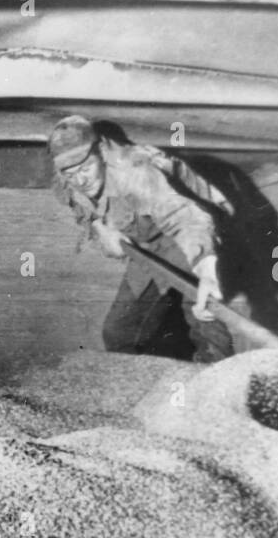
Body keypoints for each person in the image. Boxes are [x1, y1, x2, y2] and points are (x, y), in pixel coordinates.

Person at [49, 115, 240, 362]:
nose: (80, 179)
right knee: (118, 332)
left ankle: (216, 384)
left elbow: (181, 215)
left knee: (205, 317)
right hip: (146, 247)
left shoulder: (134, 170)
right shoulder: (67, 180)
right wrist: (100, 228)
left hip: (190, 232)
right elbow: (80, 205)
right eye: (71, 173)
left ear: (102, 154)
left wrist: (206, 267)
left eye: (86, 168)